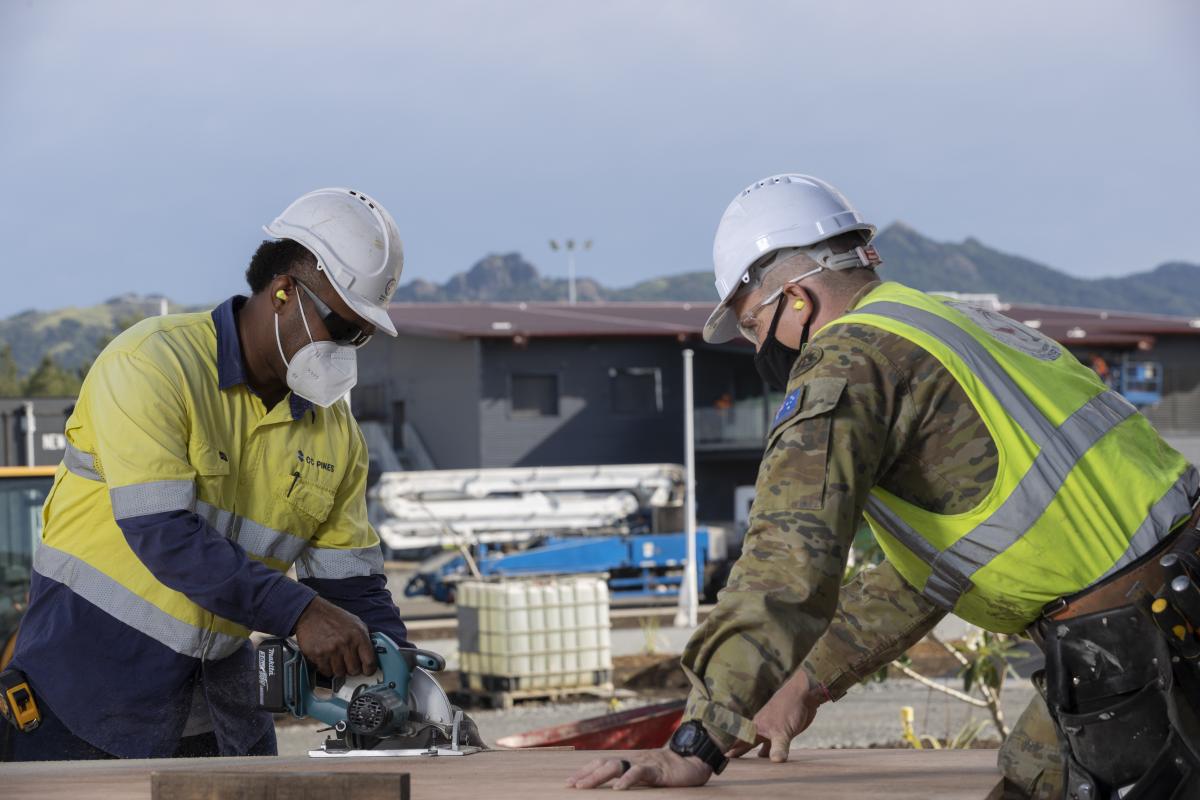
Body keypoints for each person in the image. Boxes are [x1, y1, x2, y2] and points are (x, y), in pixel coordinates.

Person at [568, 174, 1200, 798]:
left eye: (754, 325)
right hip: (1171, 602)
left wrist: (698, 740)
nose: (759, 348)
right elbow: (937, 569)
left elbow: (786, 561)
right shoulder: (947, 324)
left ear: (797, 300)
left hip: (1134, 631)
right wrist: (805, 680)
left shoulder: (848, 359)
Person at [2, 187, 413, 761]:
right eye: (340, 329)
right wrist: (299, 613)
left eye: (361, 336)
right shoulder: (152, 364)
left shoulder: (335, 434)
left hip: (216, 711)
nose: (347, 350)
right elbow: (162, 533)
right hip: (81, 693)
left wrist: (405, 672)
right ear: (284, 292)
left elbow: (350, 584)